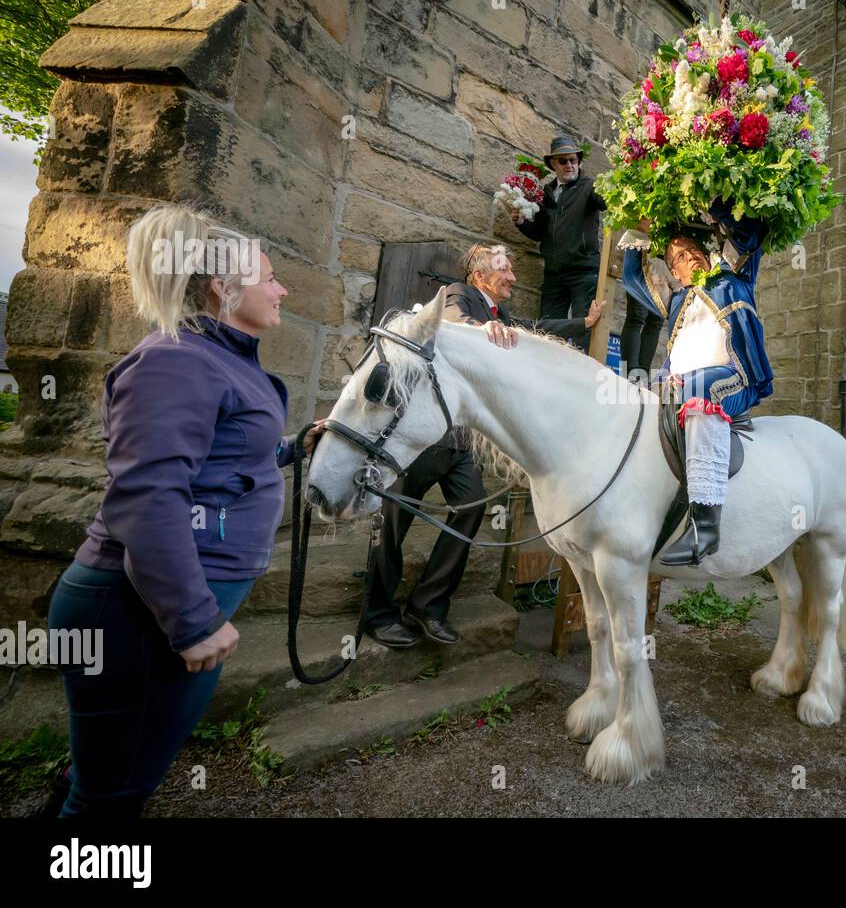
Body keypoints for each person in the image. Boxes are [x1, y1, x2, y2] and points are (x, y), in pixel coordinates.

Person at [46, 204, 326, 817]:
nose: (282, 288)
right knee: (110, 801)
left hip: (153, 610)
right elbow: (147, 498)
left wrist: (290, 448)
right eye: (270, 278)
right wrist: (193, 620)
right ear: (224, 289)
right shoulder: (177, 359)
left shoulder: (215, 358)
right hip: (135, 613)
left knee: (107, 778)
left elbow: (215, 465)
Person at [362, 244, 605, 649]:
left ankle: (428, 605)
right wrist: (480, 331)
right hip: (423, 442)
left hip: (460, 444)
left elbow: (533, 327)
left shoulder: (501, 313)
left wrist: (584, 321)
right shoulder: (459, 296)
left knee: (471, 506)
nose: (512, 276)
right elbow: (453, 324)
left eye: (510, 269)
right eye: (504, 269)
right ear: (478, 276)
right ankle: (378, 614)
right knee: (392, 525)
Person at [619, 200, 775, 566]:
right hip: (676, 387)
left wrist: (713, 199)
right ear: (673, 271)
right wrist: (640, 228)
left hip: (730, 382)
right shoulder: (674, 301)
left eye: (692, 250)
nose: (690, 257)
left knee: (696, 388)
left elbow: (751, 235)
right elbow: (632, 278)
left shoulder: (733, 279)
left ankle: (705, 528)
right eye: (679, 257)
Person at [509, 134, 606, 349]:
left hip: (584, 273)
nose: (570, 165)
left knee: (585, 332)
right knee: (547, 332)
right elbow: (539, 233)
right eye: (563, 161)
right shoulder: (546, 193)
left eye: (574, 160)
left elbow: (605, 201)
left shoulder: (590, 187)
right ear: (553, 164)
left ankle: (581, 378)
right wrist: (522, 223)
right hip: (554, 274)